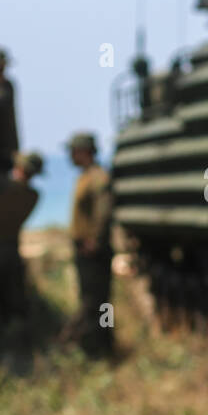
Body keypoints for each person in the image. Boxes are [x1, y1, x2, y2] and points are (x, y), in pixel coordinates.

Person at [0, 151, 44, 321]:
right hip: (12, 250)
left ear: (19, 167)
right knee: (11, 299)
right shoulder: (34, 195)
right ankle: (12, 334)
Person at [66, 131, 114, 357]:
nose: (70, 156)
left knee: (99, 302)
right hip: (85, 248)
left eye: (73, 151)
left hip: (93, 250)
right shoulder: (85, 176)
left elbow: (103, 212)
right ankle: (93, 345)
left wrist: (94, 241)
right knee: (90, 300)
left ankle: (103, 347)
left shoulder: (97, 177)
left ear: (84, 152)